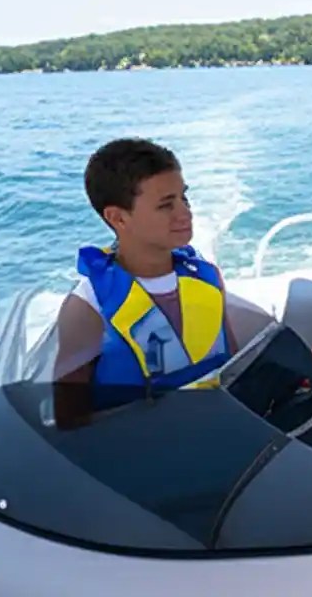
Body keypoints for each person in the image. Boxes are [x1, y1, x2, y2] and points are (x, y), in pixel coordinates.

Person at [53, 138, 238, 427]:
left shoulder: (208, 278)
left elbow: (235, 369)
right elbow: (71, 421)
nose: (184, 212)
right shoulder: (87, 308)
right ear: (118, 218)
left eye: (184, 198)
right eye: (166, 205)